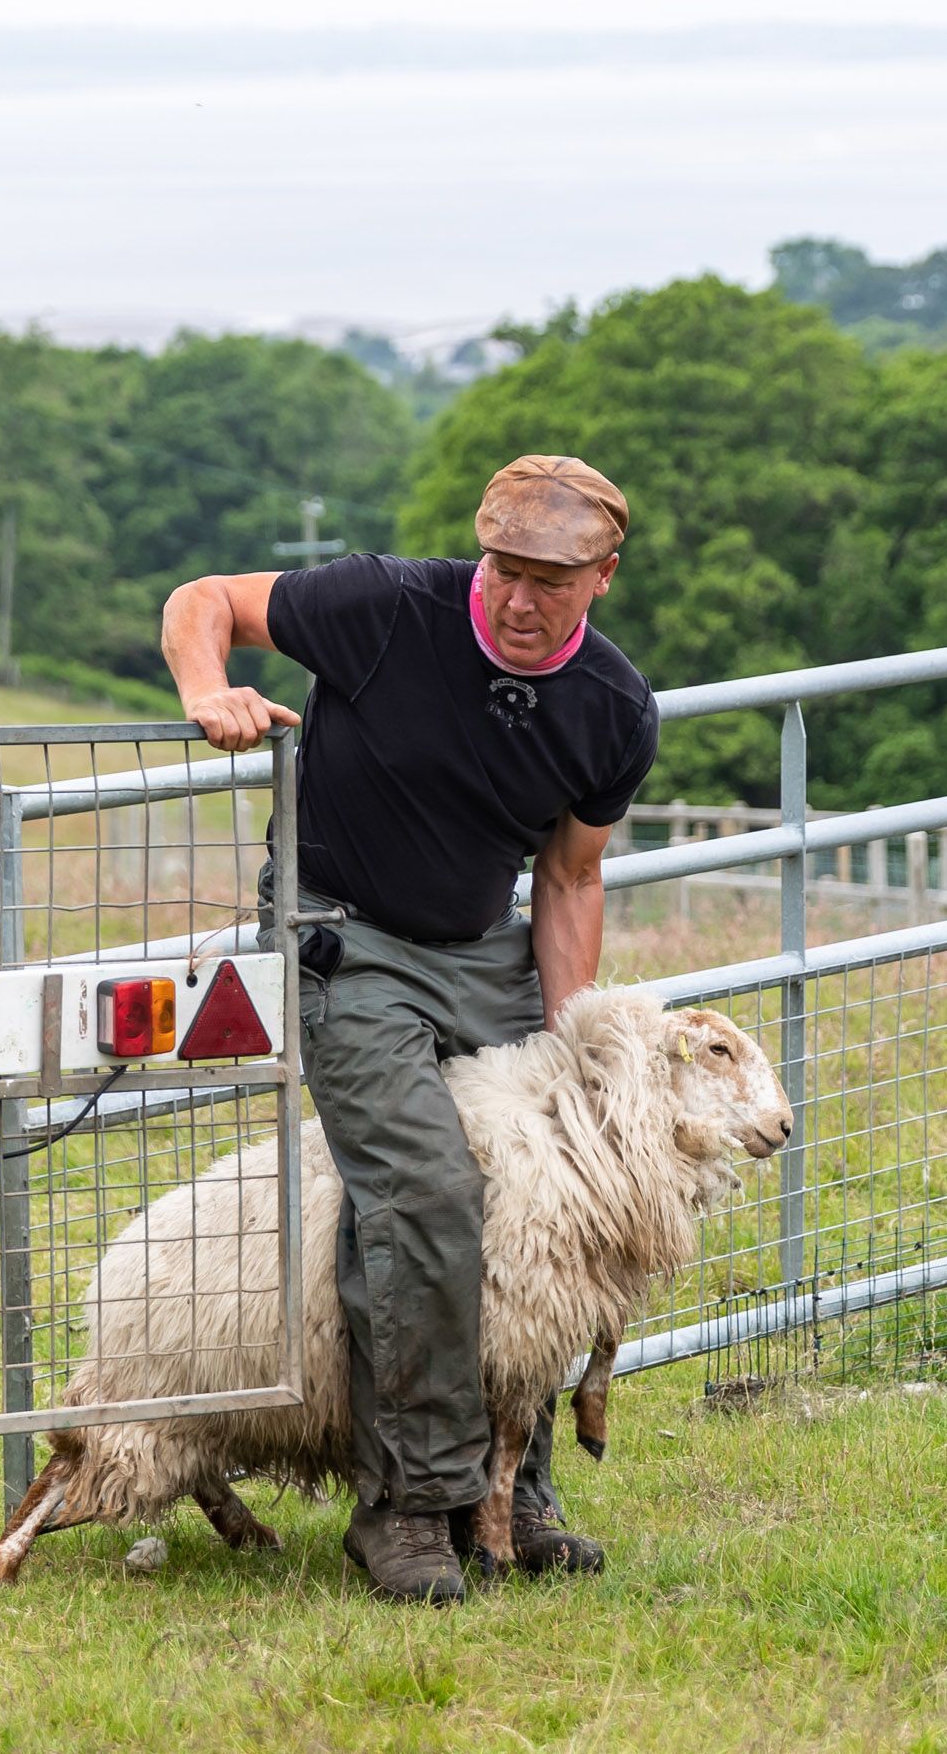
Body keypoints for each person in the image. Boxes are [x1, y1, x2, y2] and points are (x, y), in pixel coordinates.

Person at [161, 454, 660, 1605]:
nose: (520, 599)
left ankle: (511, 1491)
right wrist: (207, 688)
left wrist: (564, 1053)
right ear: (477, 555)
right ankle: (410, 1507)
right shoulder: (385, 605)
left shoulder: (610, 711)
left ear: (603, 576)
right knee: (426, 1190)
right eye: (503, 569)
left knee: (538, 1181)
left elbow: (572, 877)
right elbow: (207, 601)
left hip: (480, 944)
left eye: (552, 578)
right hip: (346, 935)